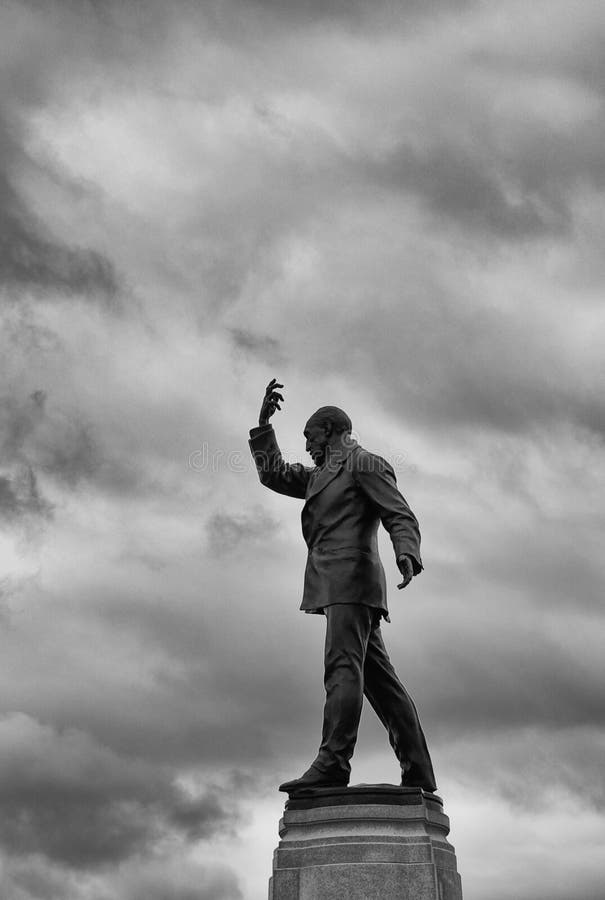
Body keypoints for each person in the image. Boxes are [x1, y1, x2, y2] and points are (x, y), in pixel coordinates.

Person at [248, 378, 437, 793]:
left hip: (353, 581)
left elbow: (399, 513)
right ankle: (419, 770)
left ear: (331, 431)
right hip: (337, 584)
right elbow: (274, 474)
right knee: (380, 683)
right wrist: (263, 427)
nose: (307, 446)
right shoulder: (321, 475)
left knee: (341, 669)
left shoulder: (363, 463)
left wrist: (407, 552)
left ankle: (333, 762)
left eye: (310, 437)